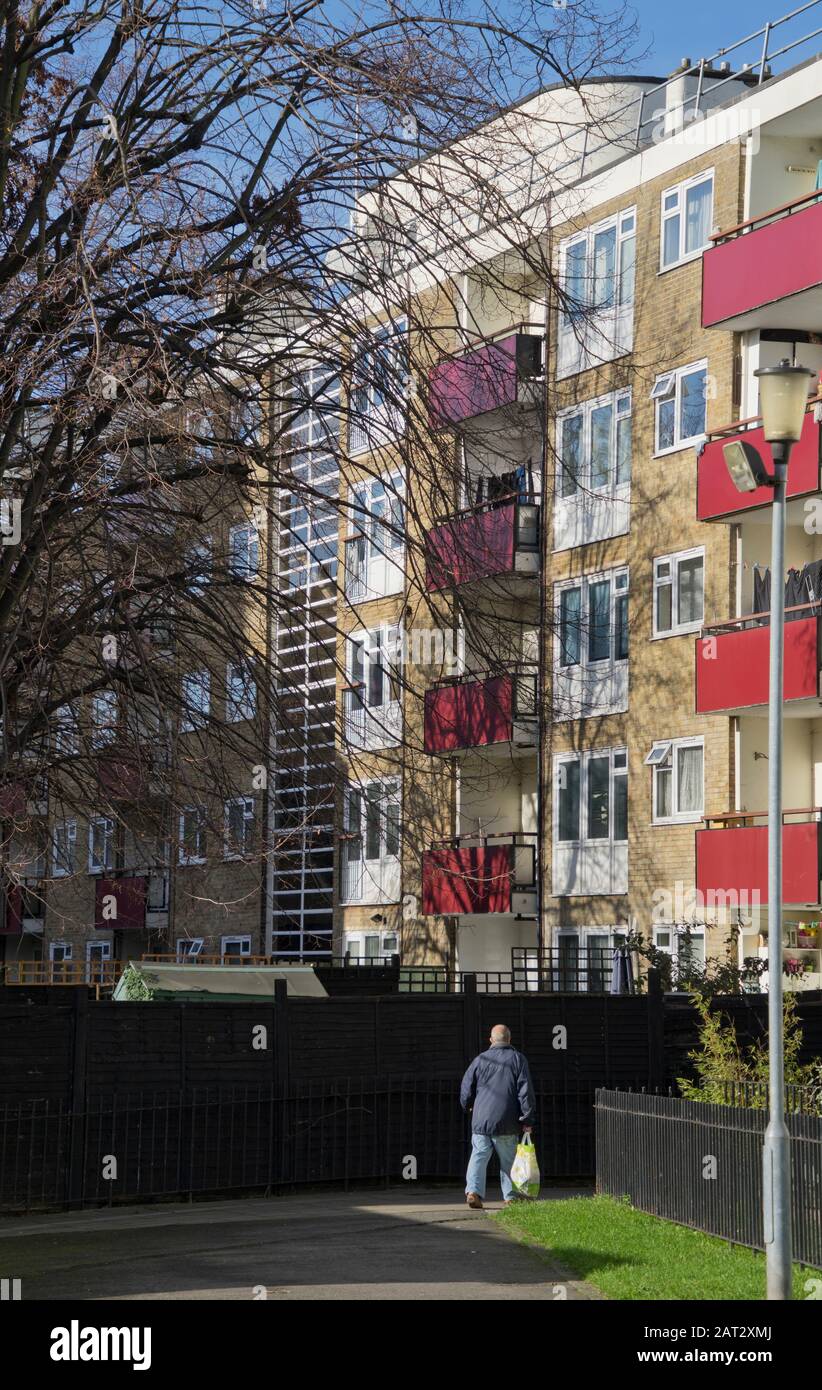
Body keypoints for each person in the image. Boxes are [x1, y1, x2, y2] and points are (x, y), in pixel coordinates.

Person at [459, 1023, 535, 1209]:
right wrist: (527, 1118)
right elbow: (525, 1092)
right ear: (509, 1040)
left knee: (478, 1156)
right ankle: (510, 1197)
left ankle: (473, 1192)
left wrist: (468, 1107)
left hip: (481, 1119)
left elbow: (466, 1087)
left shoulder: (480, 1060)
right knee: (508, 1160)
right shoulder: (518, 1059)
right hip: (507, 1120)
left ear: (491, 1040)